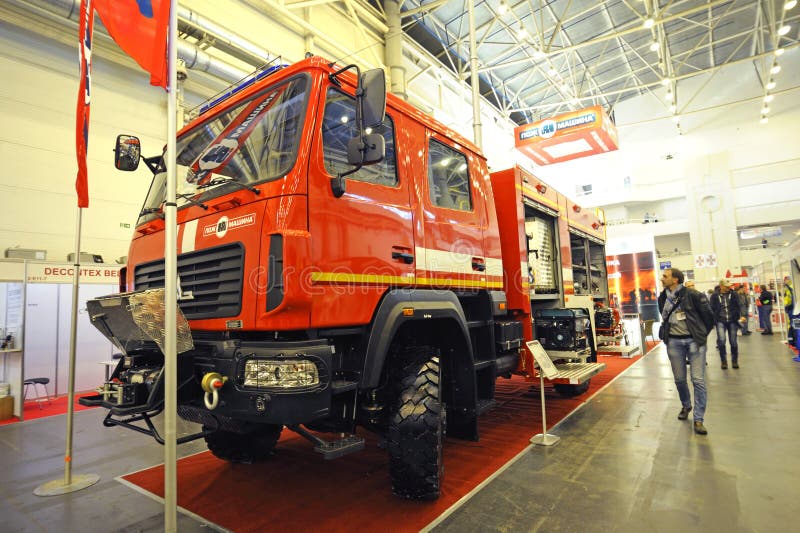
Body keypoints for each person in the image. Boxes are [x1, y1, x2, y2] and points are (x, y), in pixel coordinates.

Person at [658, 268, 715, 435]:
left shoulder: (693, 295)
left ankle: (699, 419)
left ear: (675, 279)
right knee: (679, 379)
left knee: (698, 380)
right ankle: (686, 405)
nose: (662, 279)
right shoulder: (663, 297)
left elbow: (709, 317)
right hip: (674, 342)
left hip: (694, 341)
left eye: (665, 276)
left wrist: (701, 335)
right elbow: (664, 317)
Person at [710, 279, 742, 369]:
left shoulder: (734, 294)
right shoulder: (714, 296)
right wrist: (713, 319)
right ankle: (723, 362)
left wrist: (741, 316)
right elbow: (711, 308)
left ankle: (734, 361)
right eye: (726, 286)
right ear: (721, 286)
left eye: (729, 285)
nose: (729, 287)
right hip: (720, 321)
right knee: (721, 341)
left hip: (733, 321)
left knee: (733, 342)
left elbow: (739, 305)